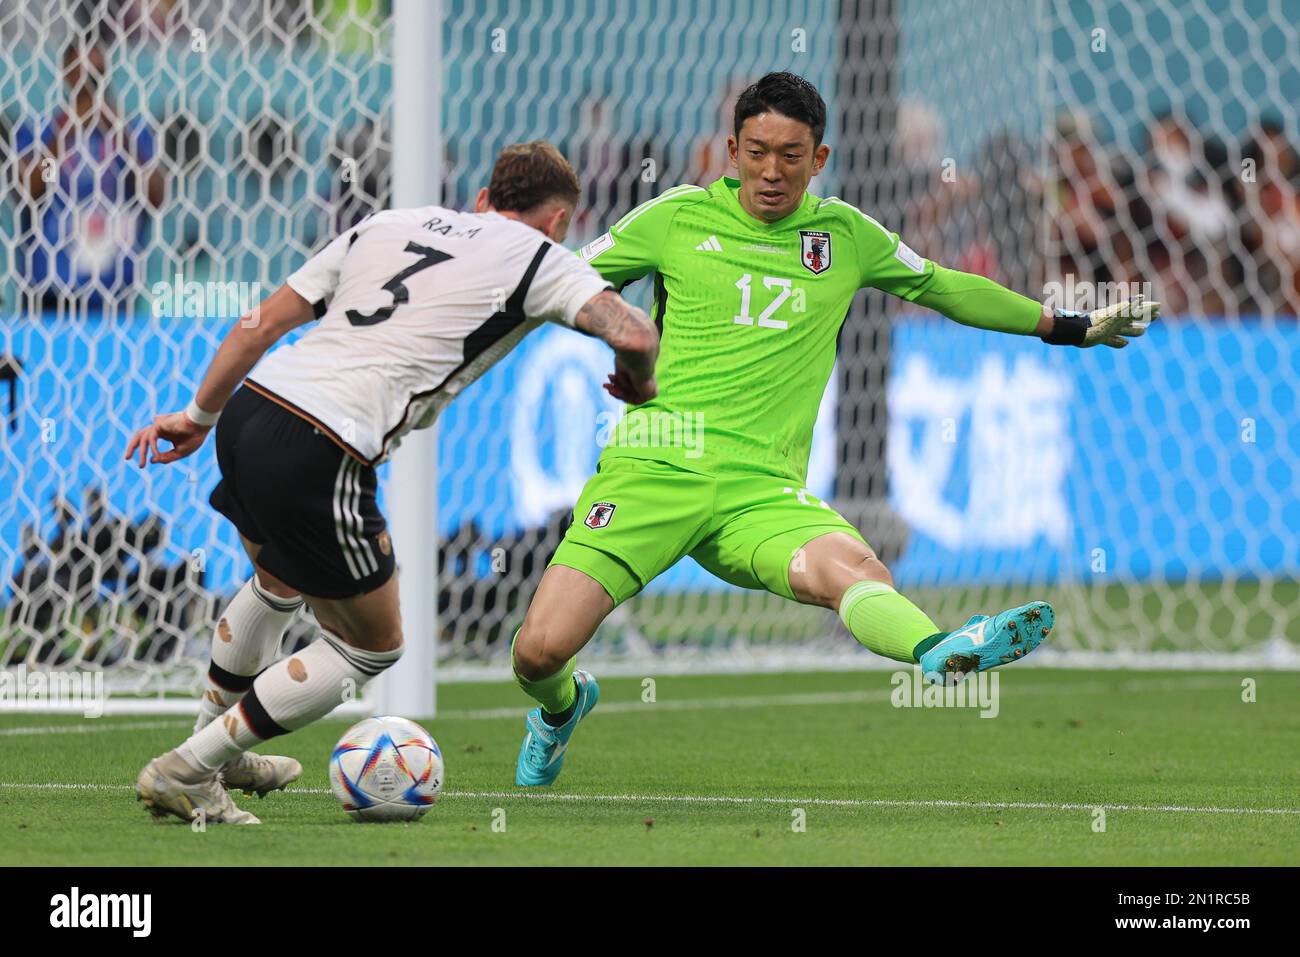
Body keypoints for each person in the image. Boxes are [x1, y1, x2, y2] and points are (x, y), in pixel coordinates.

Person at [509, 72, 1159, 787]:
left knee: (855, 570)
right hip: (654, 472)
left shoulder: (844, 236)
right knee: (538, 653)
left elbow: (943, 285)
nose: (772, 171)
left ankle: (939, 648)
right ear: (732, 150)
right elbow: (565, 278)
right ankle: (563, 707)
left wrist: (1068, 326)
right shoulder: (676, 218)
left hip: (761, 492)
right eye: (758, 152)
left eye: (791, 155)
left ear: (818, 159)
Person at [124, 141, 659, 823]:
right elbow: (635, 335)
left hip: (253, 409)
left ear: (483, 199)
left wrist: (199, 416)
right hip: (326, 444)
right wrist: (639, 385)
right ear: (559, 222)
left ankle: (215, 753)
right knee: (372, 645)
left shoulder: (387, 224)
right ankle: (190, 766)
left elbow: (259, 323)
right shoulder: (541, 257)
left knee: (279, 582)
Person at [13, 36, 164, 313]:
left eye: (96, 74)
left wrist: (118, 132)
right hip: (51, 291)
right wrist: (66, 131)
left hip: (114, 291)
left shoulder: (134, 132)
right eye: (81, 74)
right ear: (67, 75)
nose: (89, 84)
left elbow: (155, 197)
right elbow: (27, 192)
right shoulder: (41, 131)